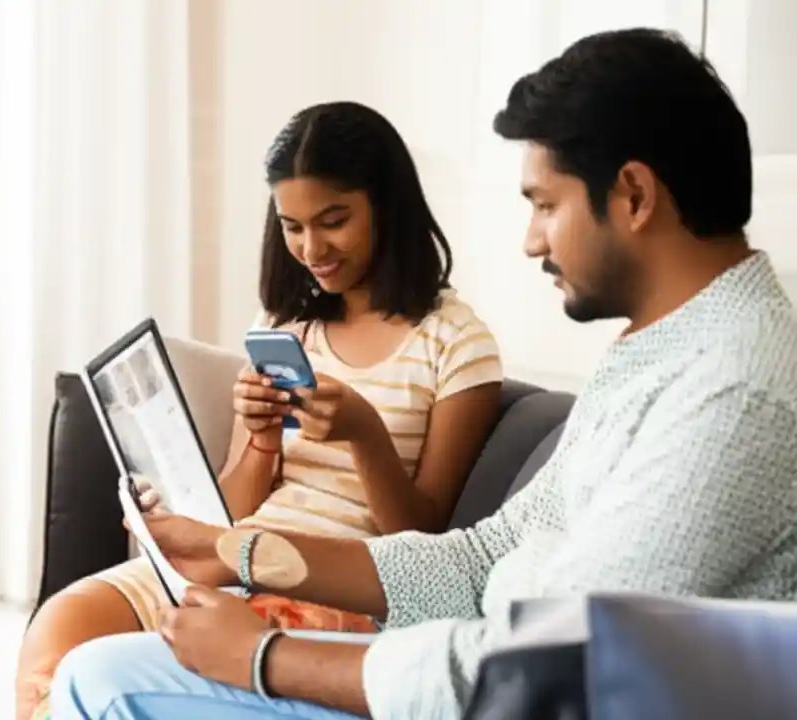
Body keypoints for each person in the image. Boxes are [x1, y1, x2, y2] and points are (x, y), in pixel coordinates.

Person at [50, 28, 797, 720]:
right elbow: (478, 558)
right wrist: (229, 548)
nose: (532, 239)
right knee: (93, 651)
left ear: (633, 196)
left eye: (545, 204)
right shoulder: (658, 351)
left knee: (101, 678)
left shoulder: (732, 390)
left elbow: (551, 673)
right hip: (474, 664)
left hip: (496, 692)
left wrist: (263, 657)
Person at [17, 101, 505, 718]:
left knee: (119, 671)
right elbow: (237, 509)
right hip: (236, 554)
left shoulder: (456, 343)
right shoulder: (287, 327)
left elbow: (423, 540)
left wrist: (364, 436)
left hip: (336, 578)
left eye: (333, 221)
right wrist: (262, 439)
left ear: (387, 205)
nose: (310, 248)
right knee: (58, 632)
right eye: (292, 226)